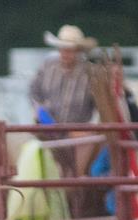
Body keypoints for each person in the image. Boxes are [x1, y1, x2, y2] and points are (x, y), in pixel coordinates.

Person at [29, 24, 99, 177]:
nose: (65, 53)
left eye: (70, 49)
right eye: (62, 48)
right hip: (46, 129)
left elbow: (99, 106)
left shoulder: (90, 73)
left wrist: (84, 129)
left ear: (78, 51)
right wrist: (41, 112)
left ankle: (78, 183)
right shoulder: (47, 66)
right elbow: (34, 92)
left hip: (78, 133)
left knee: (79, 169)